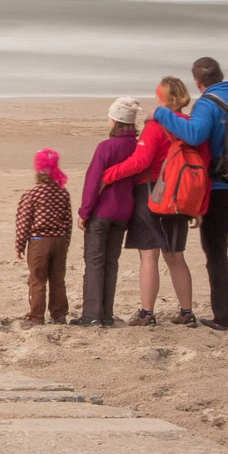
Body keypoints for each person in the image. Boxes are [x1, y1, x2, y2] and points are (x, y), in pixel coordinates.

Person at [150, 57, 228, 330]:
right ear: (221, 75)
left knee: (217, 254)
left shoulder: (207, 104)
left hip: (219, 190)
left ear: (197, 82)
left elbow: (194, 135)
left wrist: (160, 114)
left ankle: (224, 317)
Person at [102, 76, 206, 327]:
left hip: (152, 195)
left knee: (149, 256)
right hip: (181, 197)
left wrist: (108, 175)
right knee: (175, 257)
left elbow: (140, 161)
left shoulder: (156, 126)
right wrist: (200, 205)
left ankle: (147, 313)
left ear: (162, 97)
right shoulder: (190, 127)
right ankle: (186, 312)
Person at [69, 98, 141, 327]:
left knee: (94, 262)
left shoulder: (106, 147)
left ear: (115, 121)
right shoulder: (138, 147)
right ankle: (106, 314)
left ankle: (92, 314)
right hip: (124, 212)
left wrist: (84, 211)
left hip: (102, 212)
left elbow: (92, 182)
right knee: (111, 263)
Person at [14, 148, 72, 328]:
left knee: (37, 279)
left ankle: (36, 317)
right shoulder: (62, 193)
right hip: (59, 240)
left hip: (39, 241)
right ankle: (59, 314)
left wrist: (19, 245)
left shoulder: (32, 193)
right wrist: (66, 243)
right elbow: (68, 221)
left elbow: (23, 221)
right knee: (57, 279)